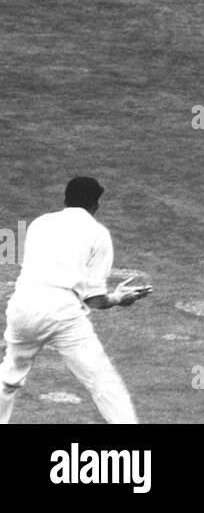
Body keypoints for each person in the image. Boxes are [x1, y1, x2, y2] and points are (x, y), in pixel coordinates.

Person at [0, 177, 153, 424]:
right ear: (95, 205)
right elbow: (95, 300)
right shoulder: (98, 234)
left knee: (9, 376)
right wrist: (118, 298)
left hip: (23, 306)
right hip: (62, 313)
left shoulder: (40, 224)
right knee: (103, 382)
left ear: (65, 199)